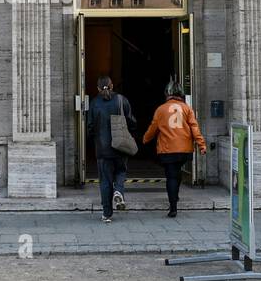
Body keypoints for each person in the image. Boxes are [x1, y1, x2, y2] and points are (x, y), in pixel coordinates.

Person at [142, 81, 207, 218]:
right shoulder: (187, 108)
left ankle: (173, 207)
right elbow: (194, 128)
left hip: (167, 149)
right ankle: (175, 196)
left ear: (167, 93)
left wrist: (145, 140)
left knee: (171, 176)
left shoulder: (161, 109)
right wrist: (202, 145)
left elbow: (153, 128)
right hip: (184, 149)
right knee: (177, 173)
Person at [86, 75, 137, 223]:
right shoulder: (122, 100)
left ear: (97, 88)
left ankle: (107, 214)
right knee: (121, 171)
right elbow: (131, 121)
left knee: (105, 180)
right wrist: (130, 133)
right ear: (112, 85)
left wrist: (94, 142)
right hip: (120, 145)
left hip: (102, 148)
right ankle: (119, 191)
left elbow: (90, 128)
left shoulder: (94, 103)